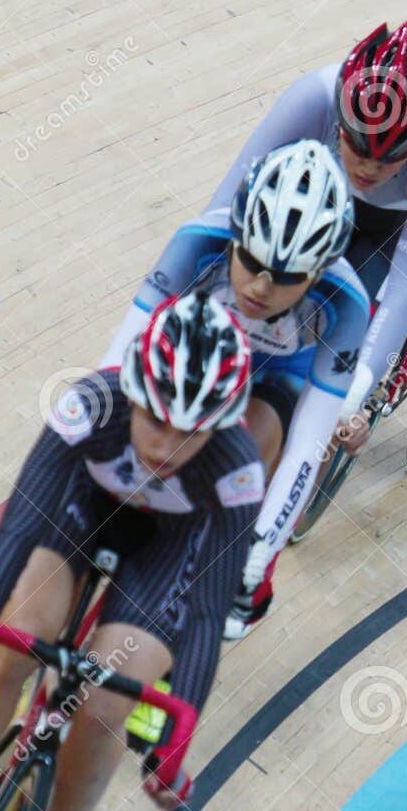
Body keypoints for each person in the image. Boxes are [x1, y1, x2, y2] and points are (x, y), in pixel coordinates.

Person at [0, 292, 259, 811]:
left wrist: (176, 737)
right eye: (157, 421)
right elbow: (21, 528)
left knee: (109, 703)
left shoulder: (237, 471)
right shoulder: (92, 405)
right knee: (12, 641)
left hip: (164, 553)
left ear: (222, 425)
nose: (168, 447)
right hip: (77, 515)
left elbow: (206, 611)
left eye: (192, 433)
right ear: (134, 392)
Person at [102, 140, 373, 636]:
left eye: (287, 276)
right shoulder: (197, 243)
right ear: (234, 235)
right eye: (249, 259)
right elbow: (120, 362)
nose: (260, 288)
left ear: (319, 271)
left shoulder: (346, 303)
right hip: (207, 345)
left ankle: (243, 566)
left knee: (251, 447)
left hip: (287, 371)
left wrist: (264, 542)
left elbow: (307, 447)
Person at [208, 20, 407, 443]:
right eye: (358, 148)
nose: (369, 169)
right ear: (340, 124)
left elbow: (406, 287)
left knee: (349, 331)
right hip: (311, 204)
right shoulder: (314, 95)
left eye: (389, 160)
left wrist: (356, 391)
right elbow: (225, 210)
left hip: (387, 228)